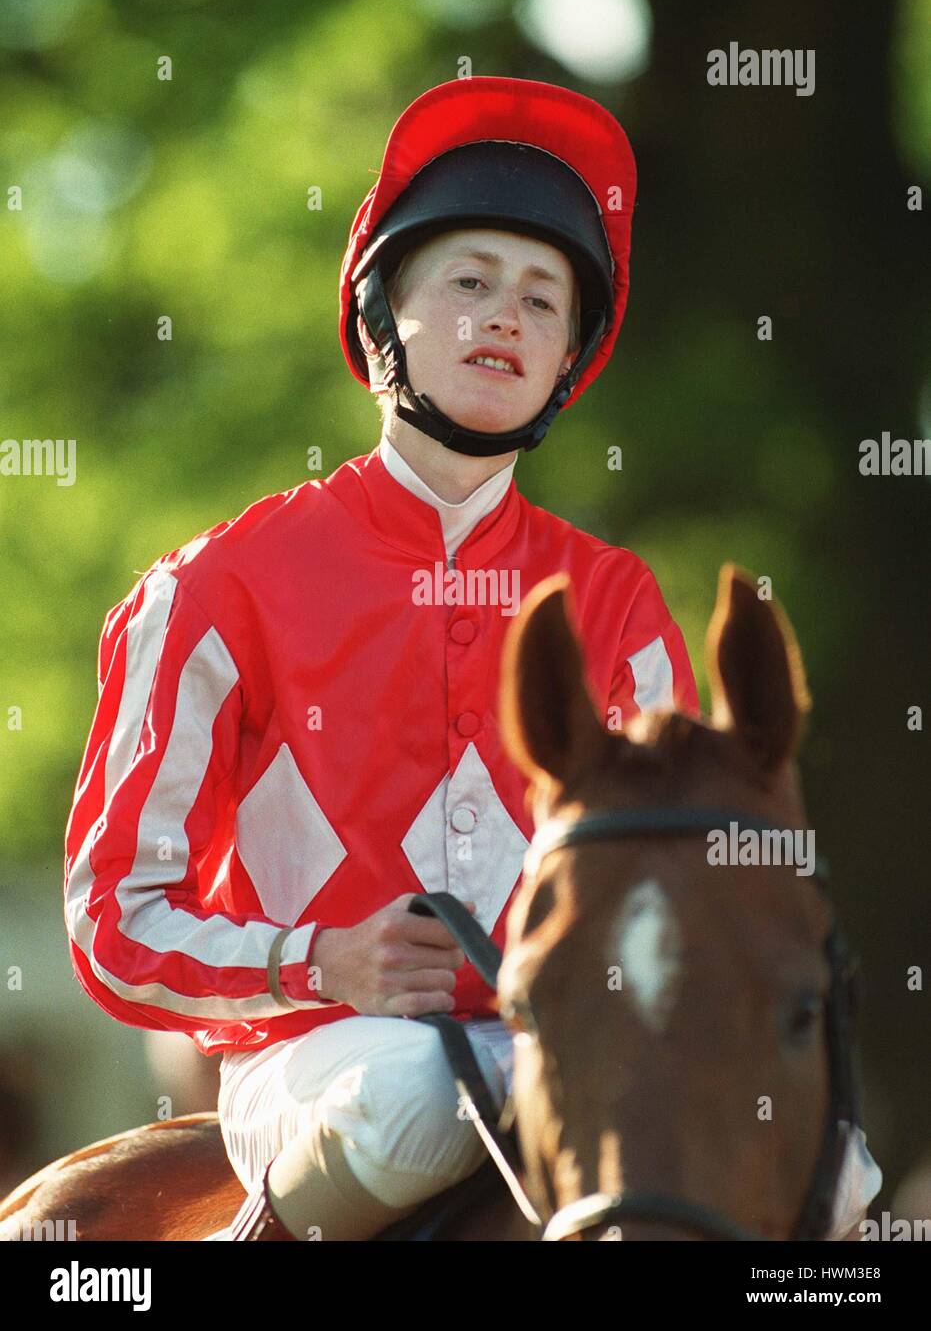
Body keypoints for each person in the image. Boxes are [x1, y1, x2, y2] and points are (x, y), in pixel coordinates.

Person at [62, 76, 878, 1241]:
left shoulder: (615, 599)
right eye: (468, 281)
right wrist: (317, 961)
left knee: (839, 1175)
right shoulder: (212, 587)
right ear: (384, 316)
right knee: (416, 1103)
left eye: (543, 300)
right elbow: (111, 916)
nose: (505, 316)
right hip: (310, 1056)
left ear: (566, 360)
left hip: (569, 1043)